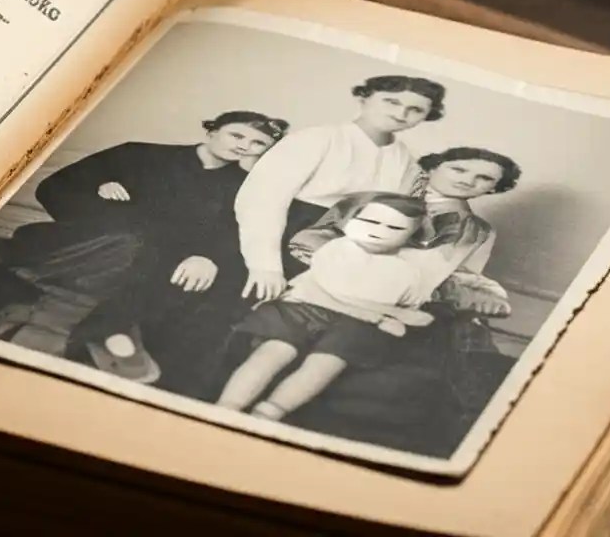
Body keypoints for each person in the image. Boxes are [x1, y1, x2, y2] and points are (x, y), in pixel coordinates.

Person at [153, 75, 446, 399]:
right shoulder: (319, 139)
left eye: (416, 109)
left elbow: (394, 221)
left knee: (290, 330)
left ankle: (233, 404)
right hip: (274, 235)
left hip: (338, 249)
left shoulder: (405, 161)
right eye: (392, 101)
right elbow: (264, 199)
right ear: (364, 98)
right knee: (230, 314)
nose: (402, 113)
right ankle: (177, 396)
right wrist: (265, 264)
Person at [0, 110, 289, 378]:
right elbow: (53, 188)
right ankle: (106, 332)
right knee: (135, 245)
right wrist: (102, 202)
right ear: (211, 131)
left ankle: (91, 337)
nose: (244, 145)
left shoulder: (245, 189)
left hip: (150, 270)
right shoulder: (139, 154)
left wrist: (208, 257)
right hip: (82, 248)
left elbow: (238, 234)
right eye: (237, 135)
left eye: (257, 143)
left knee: (205, 284)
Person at [276, 146, 524, 456]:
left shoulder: (476, 229)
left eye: (484, 178)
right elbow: (311, 238)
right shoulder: (371, 199)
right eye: (459, 169)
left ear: (493, 188)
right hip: (331, 279)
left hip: (405, 298)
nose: (468, 180)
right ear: (433, 167)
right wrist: (345, 263)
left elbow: (451, 275)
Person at [216, 193, 430, 421]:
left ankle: (270, 411)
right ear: (350, 222)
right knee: (275, 350)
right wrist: (381, 316)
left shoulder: (408, 272)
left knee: (325, 364)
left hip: (354, 325)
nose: (379, 231)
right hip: (306, 308)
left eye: (395, 228)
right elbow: (326, 293)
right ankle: (228, 405)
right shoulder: (338, 249)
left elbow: (414, 311)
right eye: (370, 221)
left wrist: (397, 316)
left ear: (412, 236)